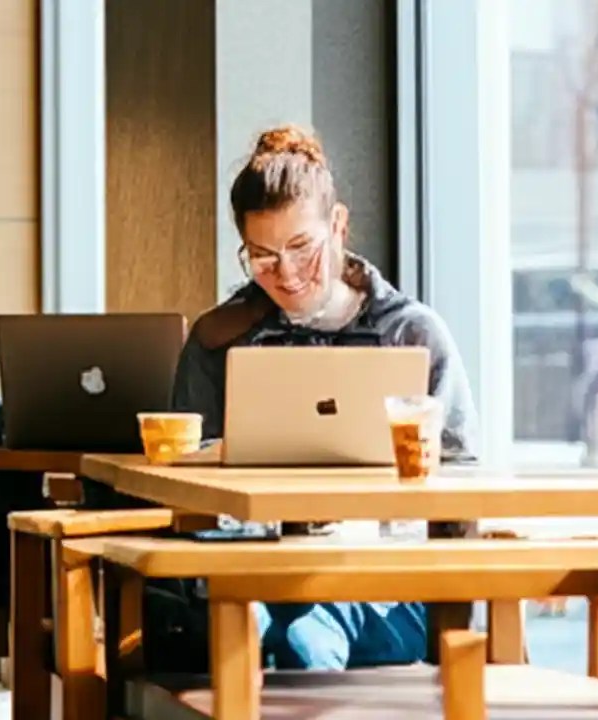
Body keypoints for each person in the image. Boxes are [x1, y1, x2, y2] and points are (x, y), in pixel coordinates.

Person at [168, 124, 481, 670]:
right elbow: (183, 489)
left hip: (383, 582)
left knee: (297, 642)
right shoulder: (218, 341)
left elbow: (462, 474)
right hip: (255, 573)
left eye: (300, 248)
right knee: (233, 632)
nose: (284, 274)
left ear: (337, 226)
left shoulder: (410, 333)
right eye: (262, 257)